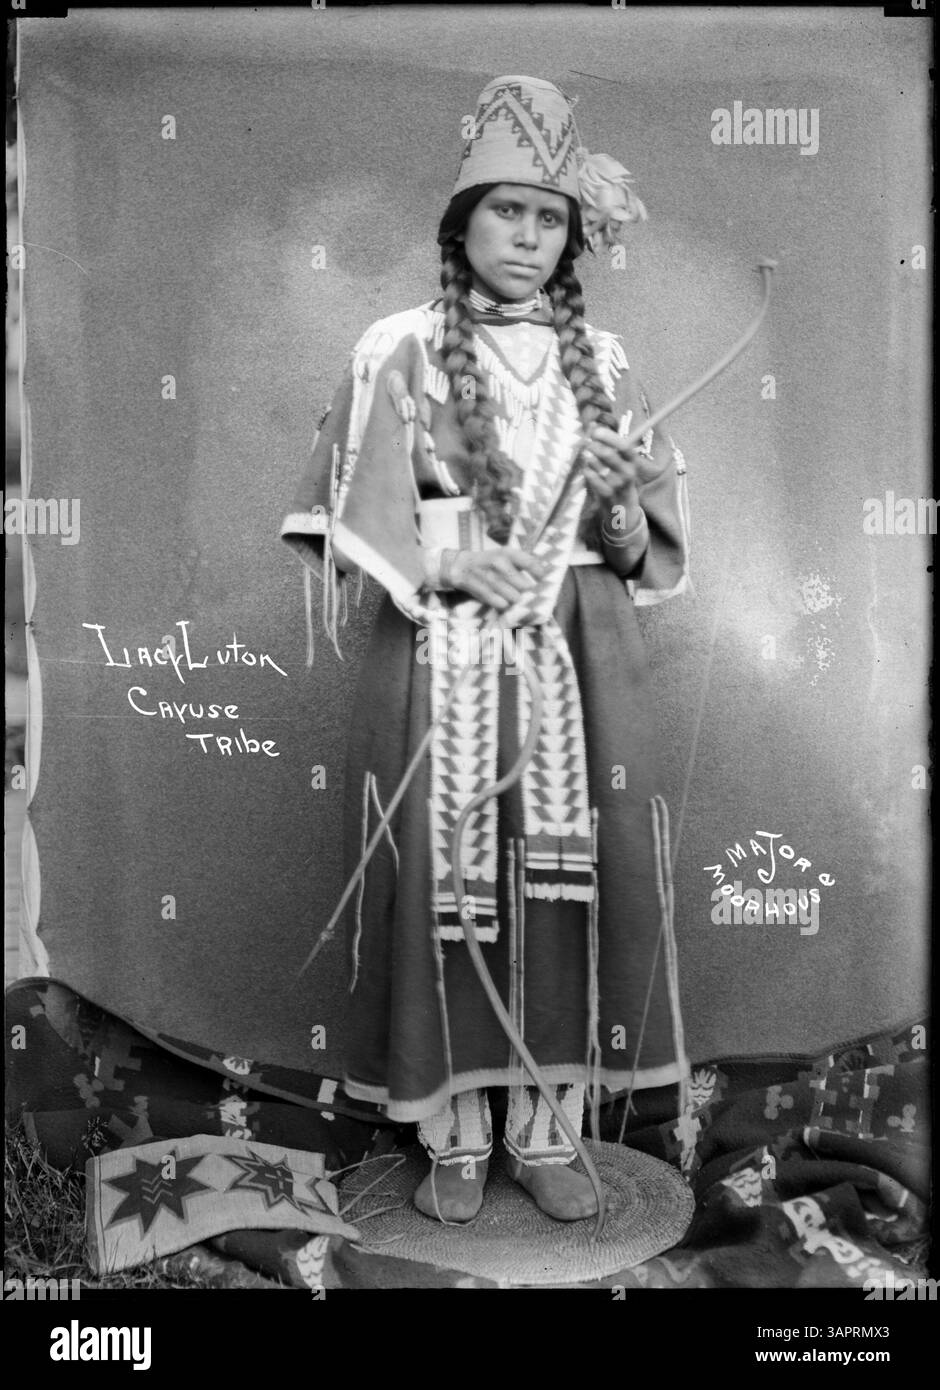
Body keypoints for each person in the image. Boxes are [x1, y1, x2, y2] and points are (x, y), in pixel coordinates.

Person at [280, 75, 692, 1224]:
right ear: (459, 223)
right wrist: (449, 561)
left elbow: (639, 545)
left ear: (573, 238)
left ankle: (546, 1129)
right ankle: (452, 1134)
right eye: (504, 210)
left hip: (572, 665)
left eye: (548, 216)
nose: (526, 235)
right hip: (442, 653)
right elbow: (354, 504)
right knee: (452, 882)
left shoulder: (600, 365)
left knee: (564, 881)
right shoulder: (400, 351)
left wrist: (613, 509)